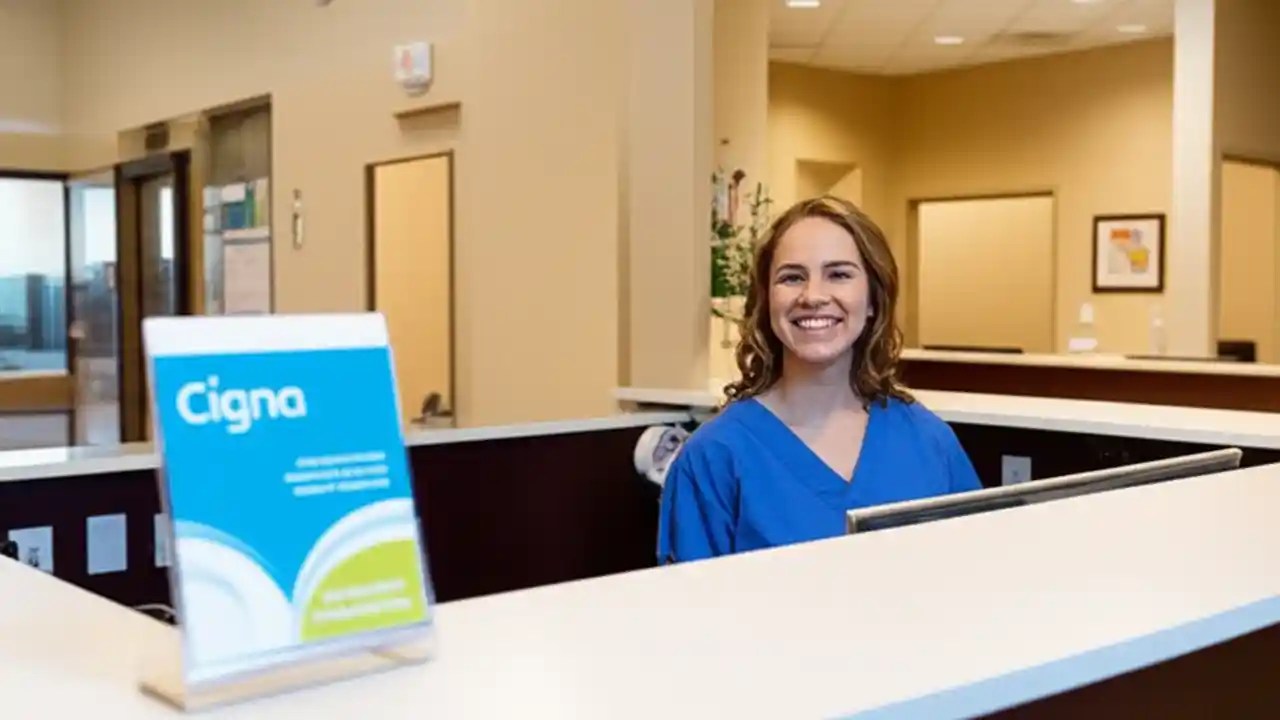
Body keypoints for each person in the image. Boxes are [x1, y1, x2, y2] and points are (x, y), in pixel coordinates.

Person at [657, 196, 981, 563]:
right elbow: (690, 612)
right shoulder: (714, 458)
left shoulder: (928, 441)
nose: (813, 296)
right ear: (767, 300)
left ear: (873, 299)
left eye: (839, 274)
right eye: (792, 277)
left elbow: (975, 577)